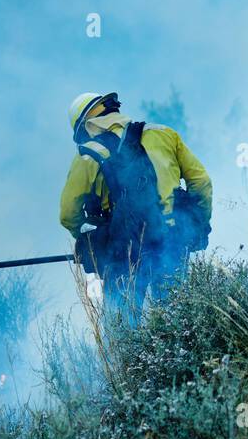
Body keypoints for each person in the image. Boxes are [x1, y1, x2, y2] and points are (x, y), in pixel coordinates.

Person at [59, 91, 213, 307]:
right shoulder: (164, 134)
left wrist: (91, 241)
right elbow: (202, 182)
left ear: (84, 126)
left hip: (124, 249)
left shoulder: (88, 154)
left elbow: (68, 213)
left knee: (121, 328)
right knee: (177, 321)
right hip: (173, 240)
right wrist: (197, 224)